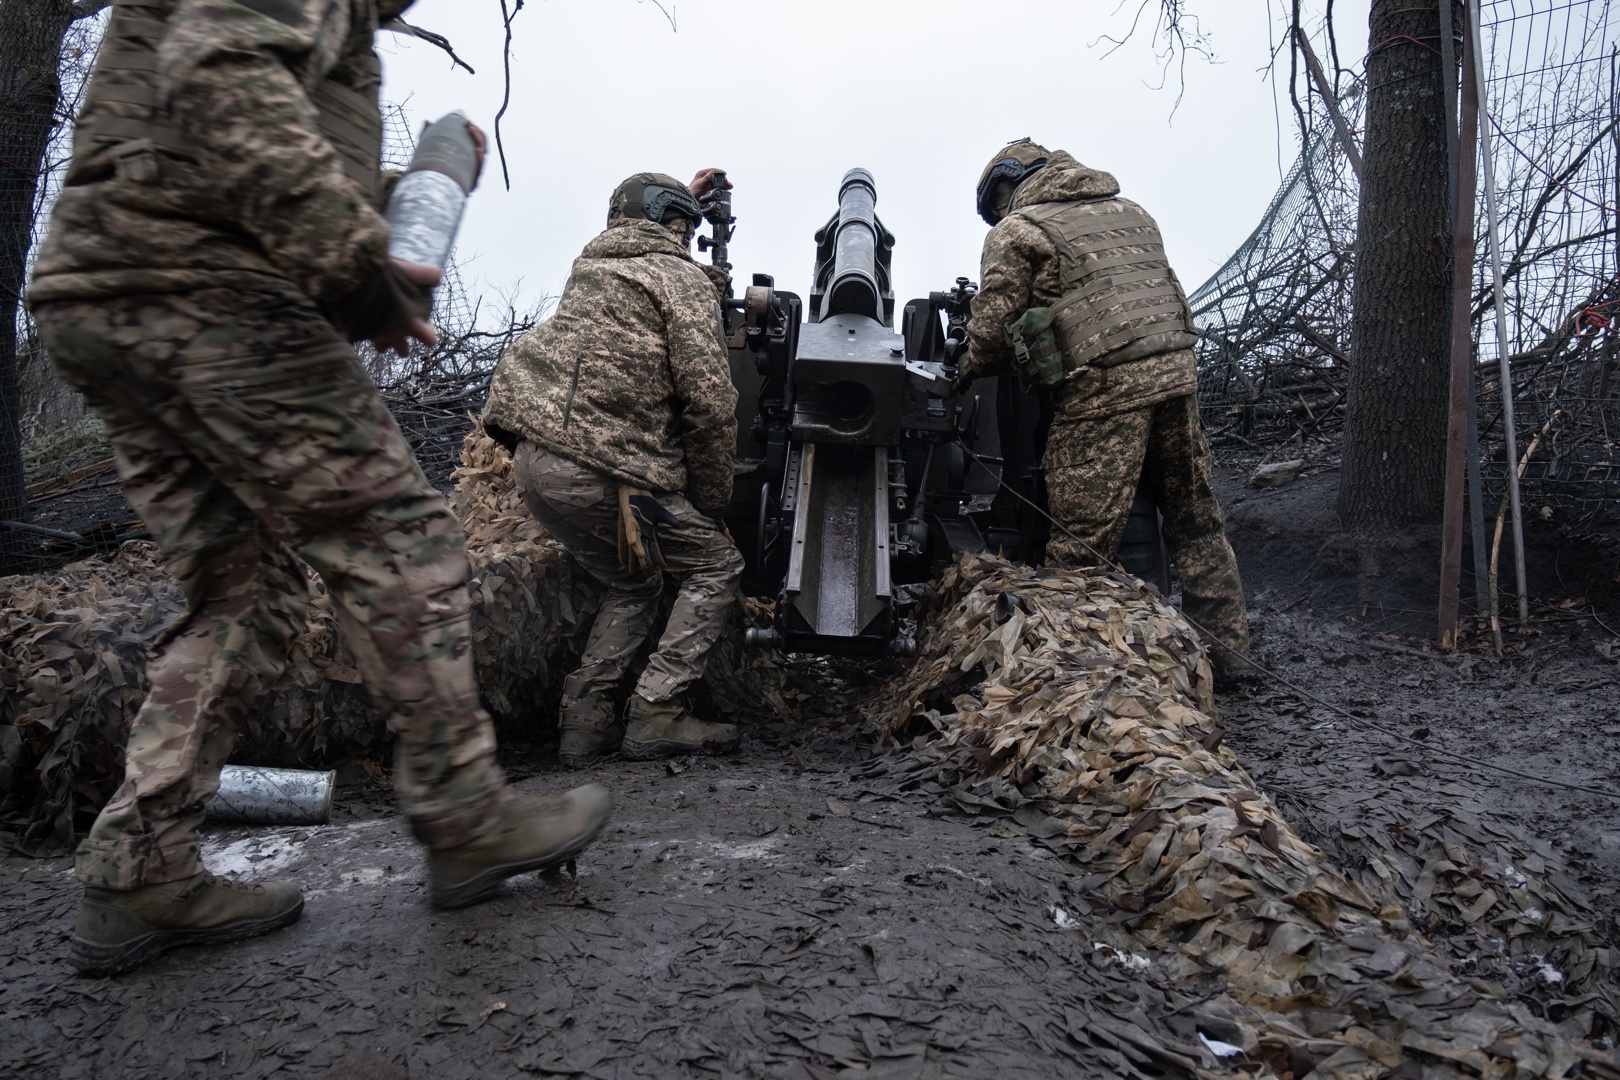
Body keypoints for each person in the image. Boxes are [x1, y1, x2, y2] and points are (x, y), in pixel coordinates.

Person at [27, 0, 611, 976]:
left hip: (107, 292)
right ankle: (466, 815)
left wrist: (404, 191)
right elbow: (219, 74)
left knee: (241, 594)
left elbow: (234, 129)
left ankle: (140, 867)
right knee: (397, 536)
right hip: (204, 290)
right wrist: (353, 270)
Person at [956, 139, 1251, 681]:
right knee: (1196, 524)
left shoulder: (1018, 231)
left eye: (995, 206)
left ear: (1006, 188)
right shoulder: (1131, 211)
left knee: (1080, 547)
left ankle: (1076, 680)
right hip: (1177, 376)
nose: (999, 215)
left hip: (1104, 391)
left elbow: (993, 335)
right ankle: (1229, 659)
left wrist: (965, 368)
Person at [482, 171, 745, 767]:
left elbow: (648, 226)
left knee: (635, 582)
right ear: (676, 228)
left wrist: (687, 199)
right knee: (714, 564)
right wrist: (710, 502)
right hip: (605, 470)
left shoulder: (594, 270)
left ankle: (584, 720)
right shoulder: (678, 278)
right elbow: (709, 402)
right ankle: (657, 710)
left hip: (536, 466)